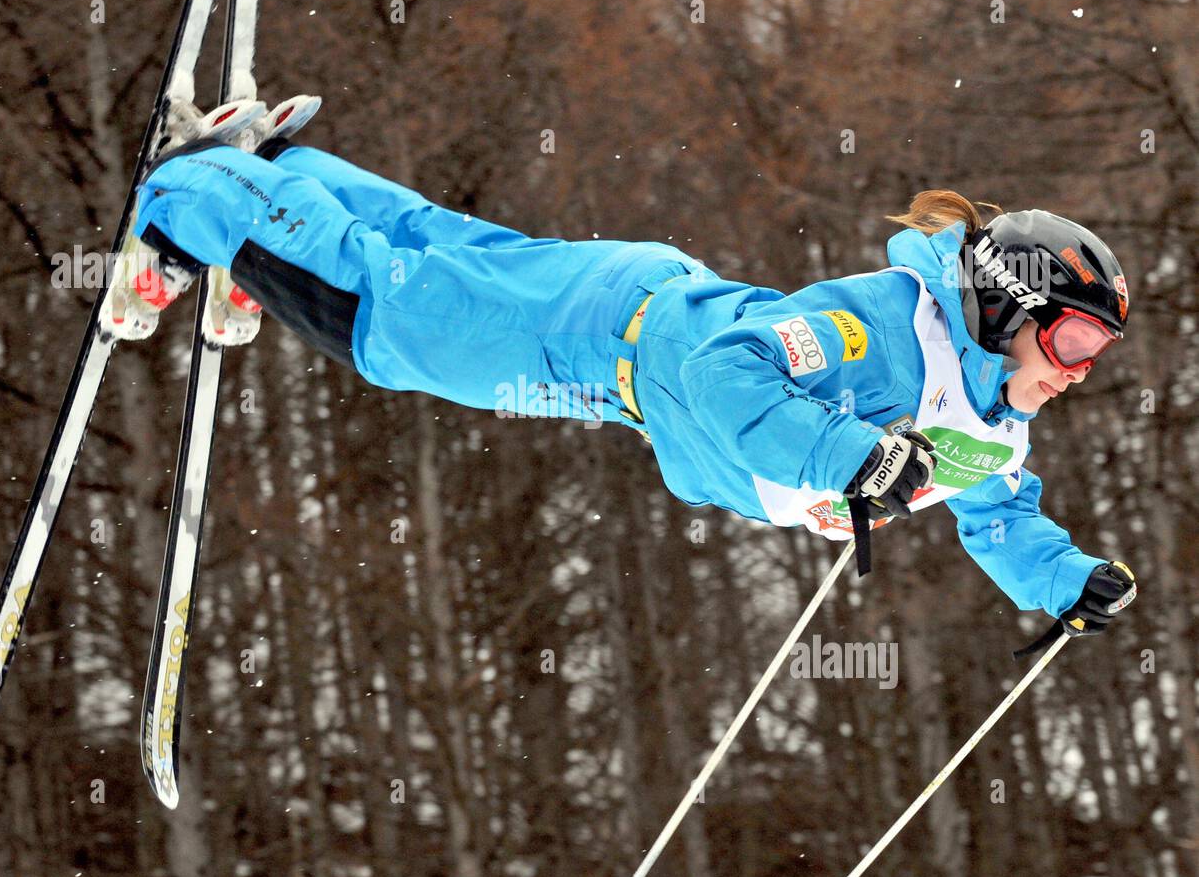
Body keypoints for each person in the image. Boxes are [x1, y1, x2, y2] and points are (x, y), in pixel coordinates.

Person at [110, 99, 1138, 640]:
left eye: (1097, 353)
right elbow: (722, 369)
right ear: (1004, 307)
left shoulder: (993, 422)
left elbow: (994, 509)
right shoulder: (881, 329)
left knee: (436, 256)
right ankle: (191, 191)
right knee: (386, 323)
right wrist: (849, 454)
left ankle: (276, 175)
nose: (1079, 370)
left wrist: (1062, 581)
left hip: (622, 333)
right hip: (610, 338)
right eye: (1073, 341)